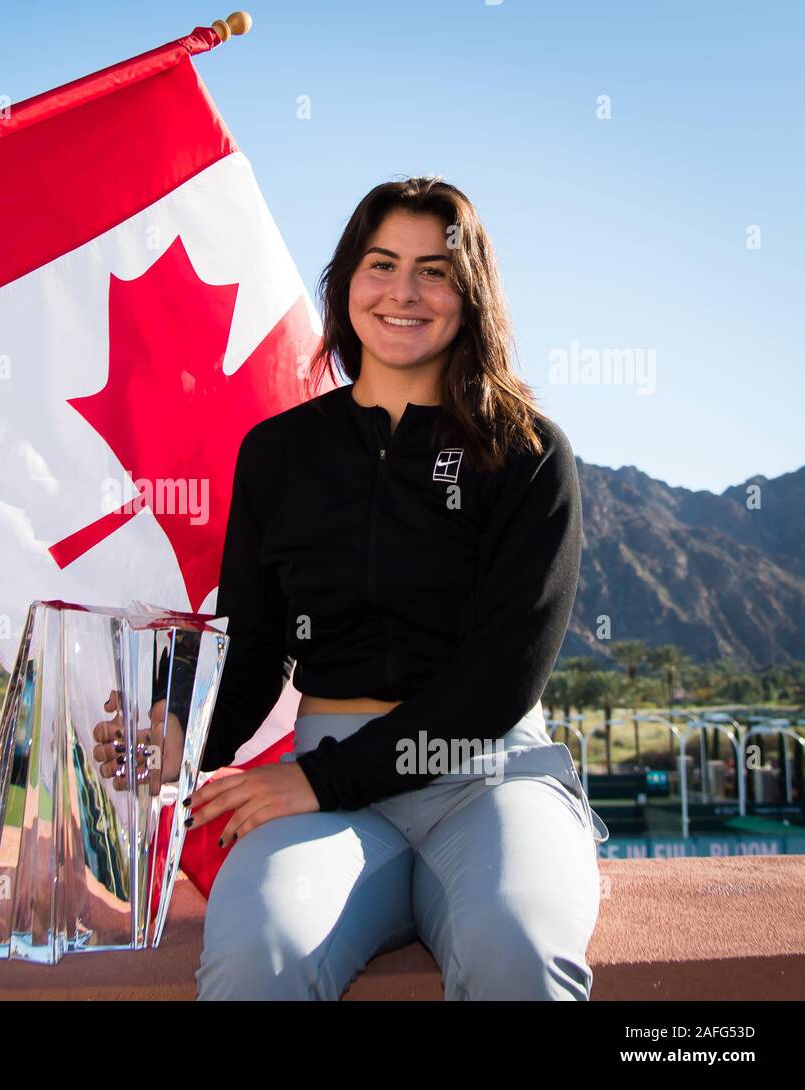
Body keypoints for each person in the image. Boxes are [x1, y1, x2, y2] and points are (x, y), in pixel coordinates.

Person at [96, 175, 608, 1001]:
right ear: (344, 284)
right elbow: (254, 650)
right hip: (328, 791)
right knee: (257, 951)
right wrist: (180, 742)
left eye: (434, 270)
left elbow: (501, 679)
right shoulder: (279, 453)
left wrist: (321, 779)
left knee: (519, 949)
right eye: (380, 264)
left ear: (470, 294)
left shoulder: (528, 450)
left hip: (486, 779)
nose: (403, 292)